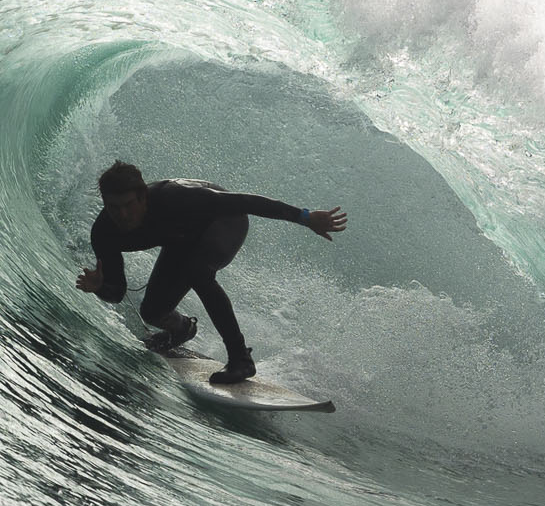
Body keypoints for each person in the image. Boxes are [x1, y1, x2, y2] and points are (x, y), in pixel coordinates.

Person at [76, 160, 347, 385]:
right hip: (181, 239)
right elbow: (117, 291)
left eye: (129, 205)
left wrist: (305, 217)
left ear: (143, 197)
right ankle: (181, 329)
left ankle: (241, 359)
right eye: (114, 207)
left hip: (224, 223)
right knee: (152, 312)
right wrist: (100, 287)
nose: (123, 215)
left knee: (197, 271)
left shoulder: (176, 198)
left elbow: (246, 203)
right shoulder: (104, 232)